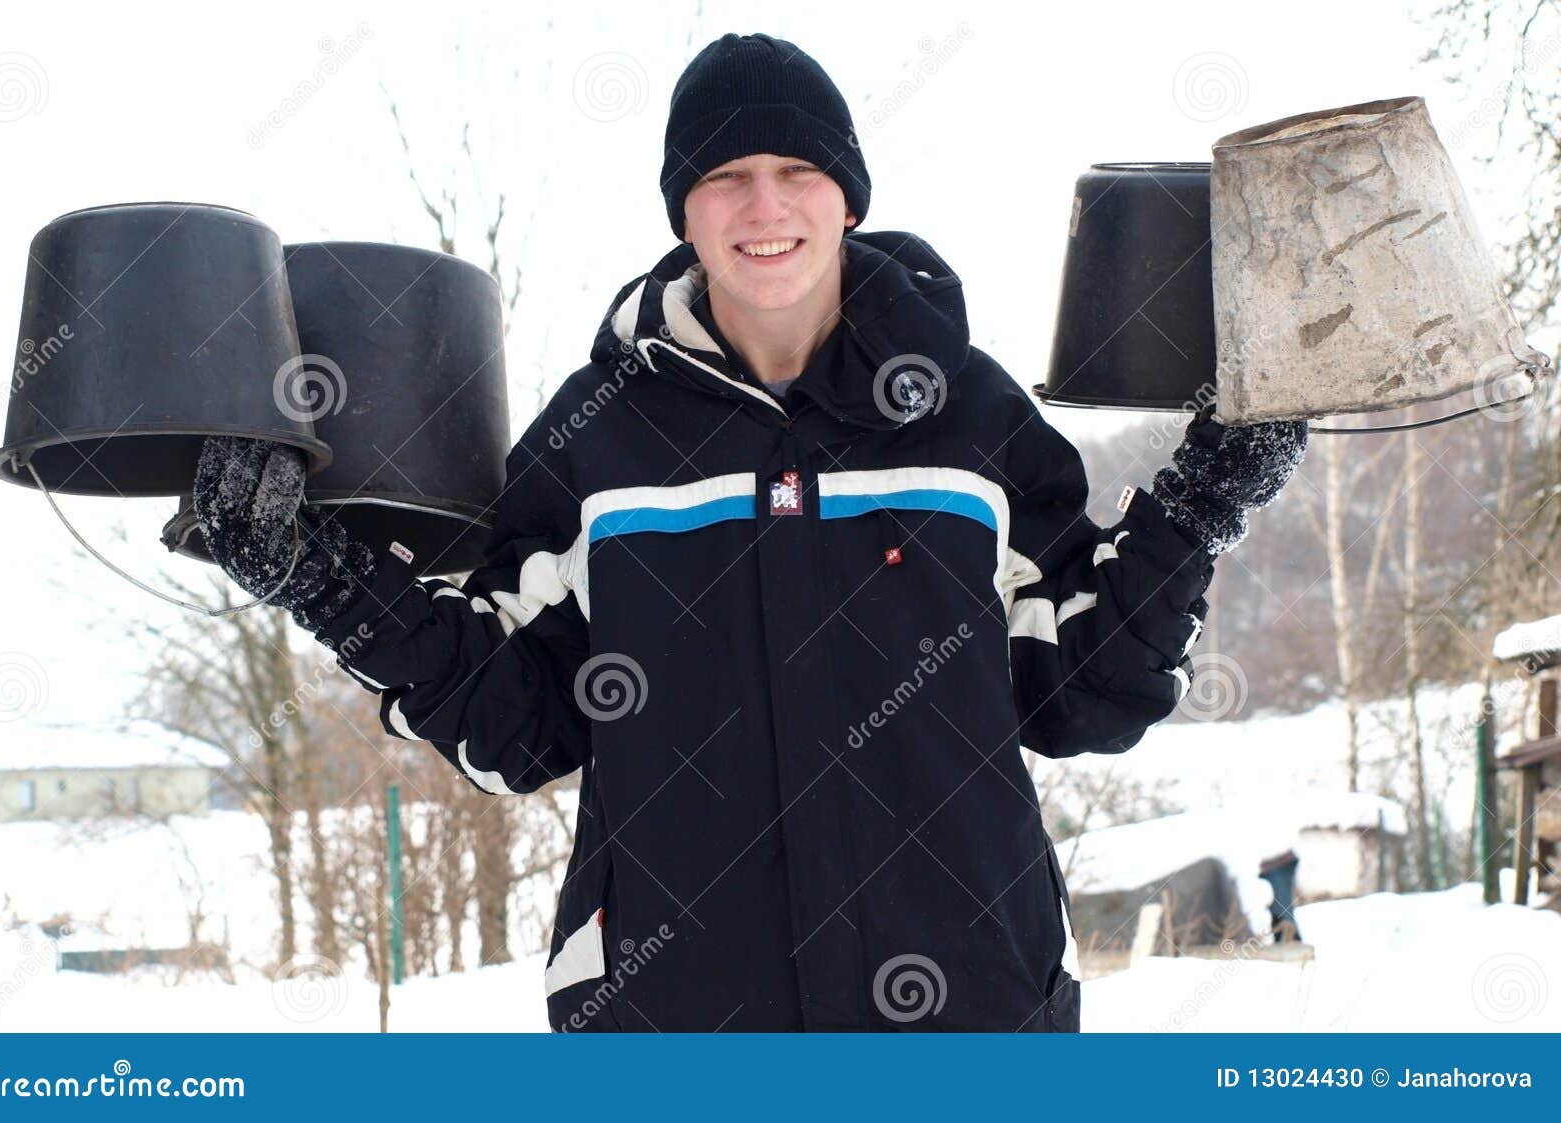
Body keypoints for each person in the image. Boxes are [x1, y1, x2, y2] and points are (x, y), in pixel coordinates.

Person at [193, 32, 1307, 1032]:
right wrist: (321, 581)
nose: (763, 207)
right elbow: (515, 722)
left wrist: (1200, 506)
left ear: (848, 198)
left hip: (973, 1016)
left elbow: (1080, 691)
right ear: (684, 211)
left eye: (796, 171)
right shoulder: (598, 439)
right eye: (725, 177)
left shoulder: (968, 415)